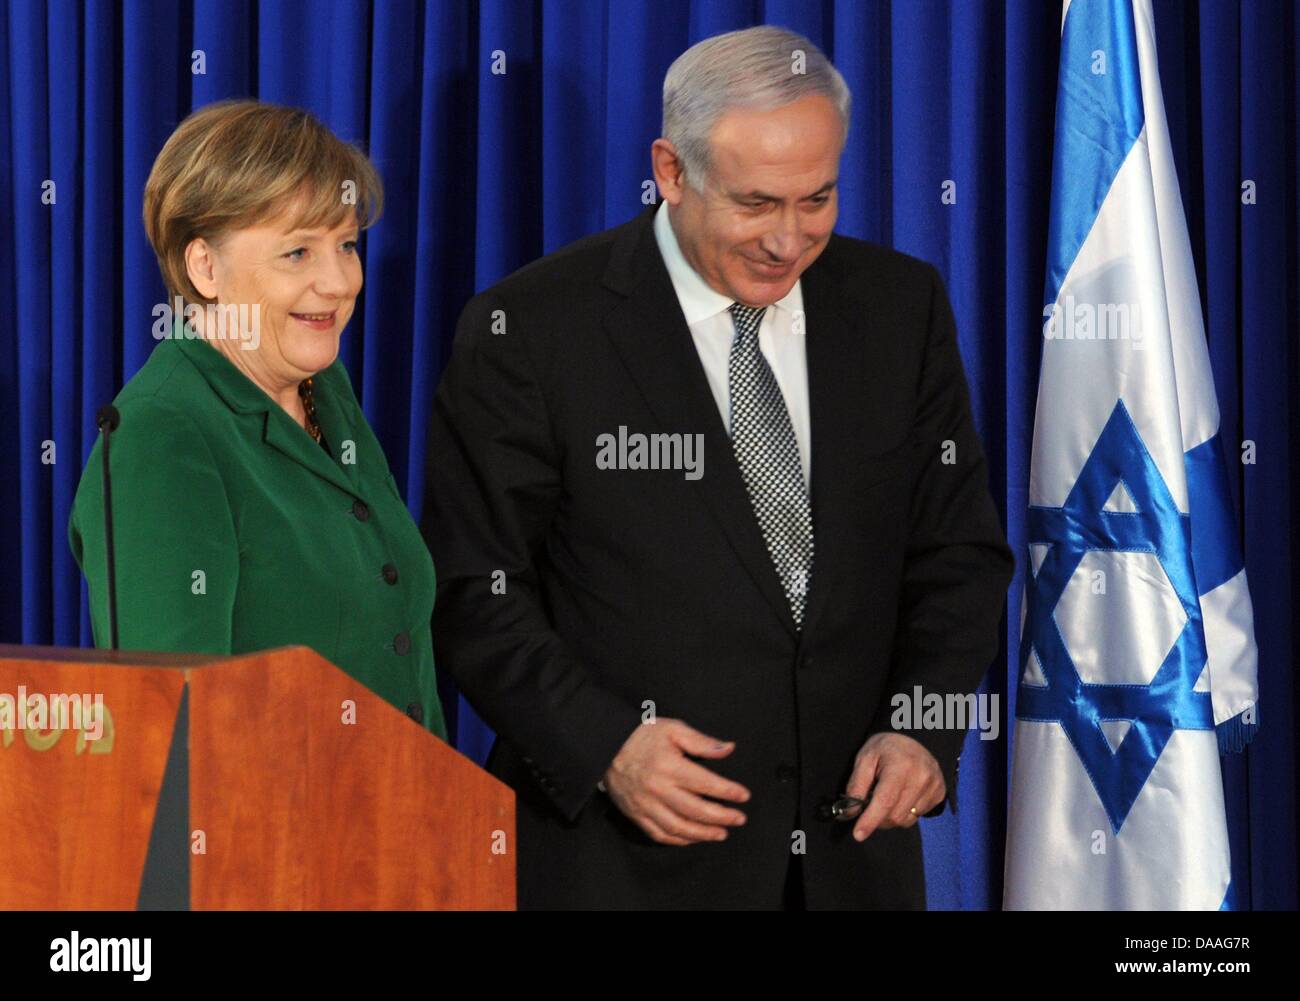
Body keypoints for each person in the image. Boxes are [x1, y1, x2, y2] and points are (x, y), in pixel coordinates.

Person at [422, 25, 1013, 908]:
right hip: (621, 866)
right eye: (756, 203)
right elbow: (476, 586)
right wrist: (606, 744)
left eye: (817, 200)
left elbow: (957, 553)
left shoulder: (900, 307)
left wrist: (921, 728)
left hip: (853, 866)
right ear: (671, 171)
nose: (789, 239)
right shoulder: (533, 330)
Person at [70, 100, 447, 742]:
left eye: (346, 245)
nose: (338, 281)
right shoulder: (160, 435)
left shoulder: (325, 391)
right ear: (204, 269)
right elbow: (174, 730)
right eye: (298, 253)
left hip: (413, 827)